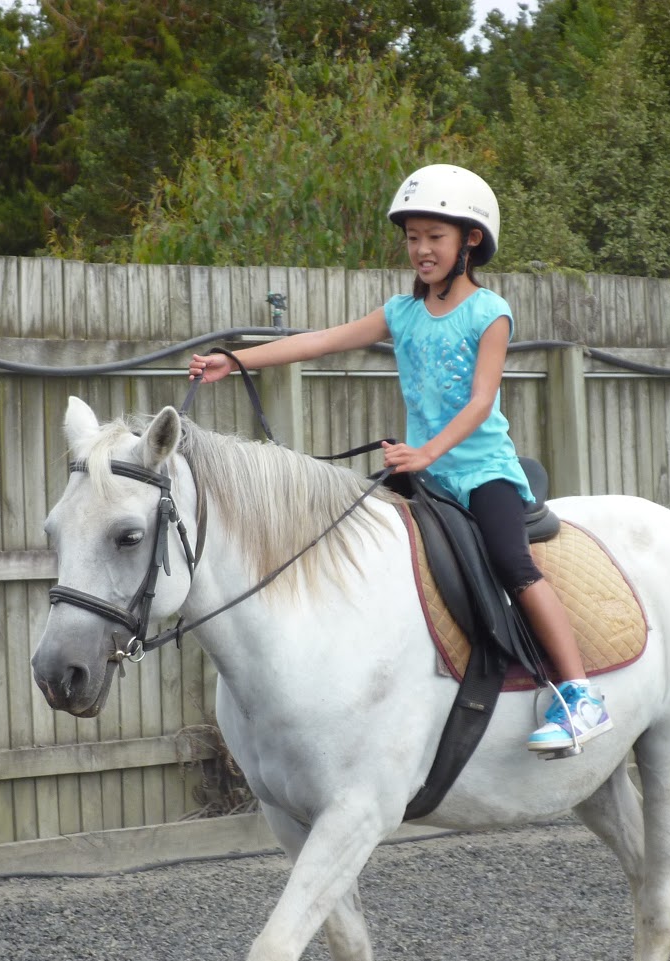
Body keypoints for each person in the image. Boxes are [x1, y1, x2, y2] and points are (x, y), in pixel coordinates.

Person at [189, 163, 611, 754]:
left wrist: (427, 452)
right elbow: (318, 340)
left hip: (480, 471)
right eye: (413, 237)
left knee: (513, 564)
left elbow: (480, 402)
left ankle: (580, 693)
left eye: (434, 237)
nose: (421, 249)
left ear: (470, 240)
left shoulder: (490, 312)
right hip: (423, 470)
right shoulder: (401, 313)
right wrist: (234, 362)